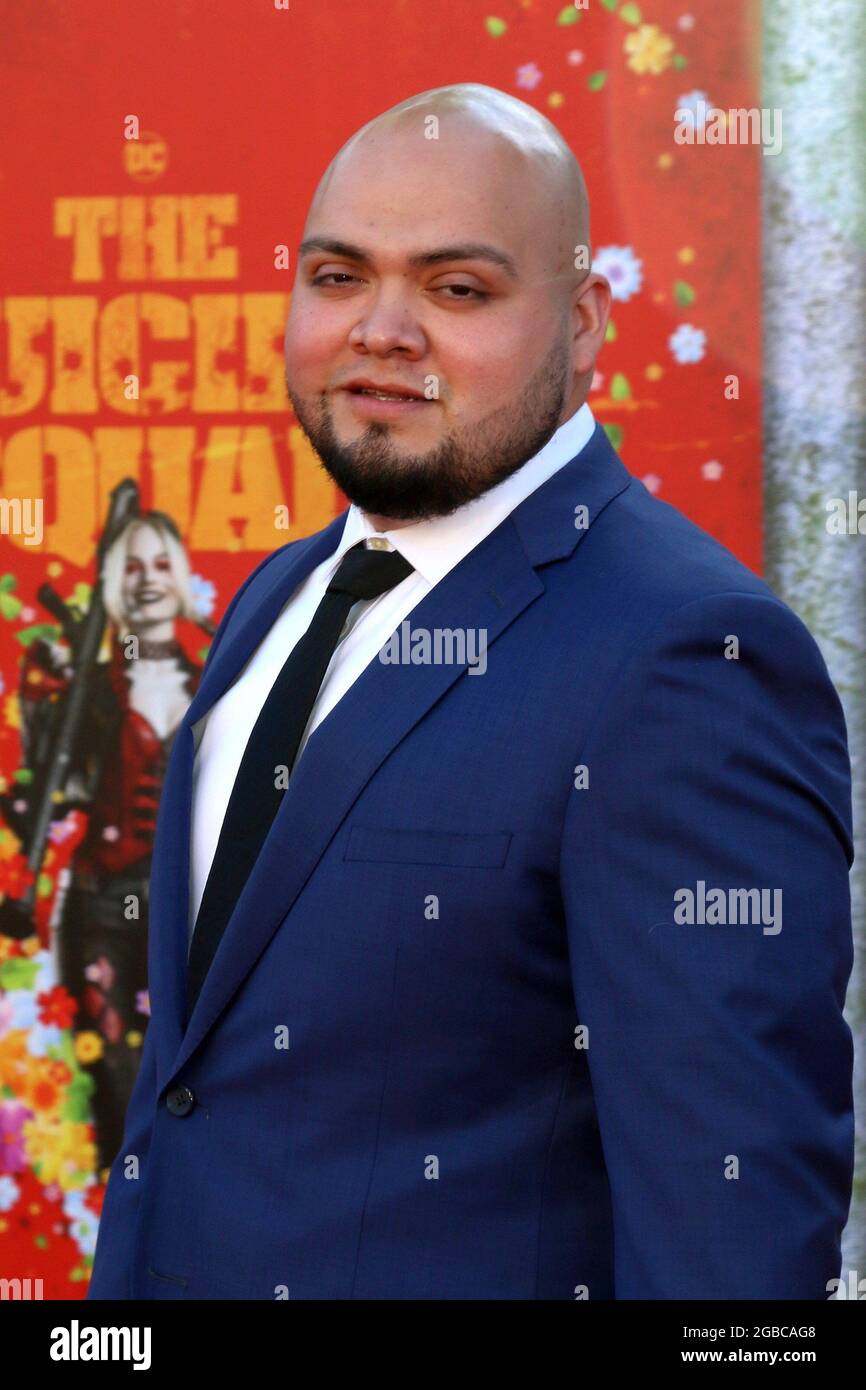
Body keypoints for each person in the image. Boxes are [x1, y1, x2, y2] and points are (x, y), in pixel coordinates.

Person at [88, 83, 854, 1300]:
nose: (381, 329)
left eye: (456, 289)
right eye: (337, 277)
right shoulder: (272, 600)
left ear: (587, 321)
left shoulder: (687, 658)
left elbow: (730, 1235)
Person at [20, 511, 204, 1175]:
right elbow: (54, 793)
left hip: (191, 916)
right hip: (98, 909)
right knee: (118, 1085)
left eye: (159, 564)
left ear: (180, 577)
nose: (146, 580)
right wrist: (47, 702)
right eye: (130, 565)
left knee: (193, 1082)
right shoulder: (87, 691)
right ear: (108, 584)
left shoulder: (223, 681)